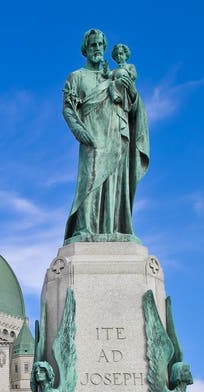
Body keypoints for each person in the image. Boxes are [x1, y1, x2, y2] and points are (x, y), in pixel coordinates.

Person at [62, 28, 149, 242]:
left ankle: (115, 227)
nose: (97, 49)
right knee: (89, 182)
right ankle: (85, 229)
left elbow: (133, 106)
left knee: (116, 182)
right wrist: (80, 131)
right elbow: (68, 108)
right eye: (93, 45)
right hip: (92, 137)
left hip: (117, 135)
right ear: (86, 49)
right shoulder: (77, 77)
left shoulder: (113, 75)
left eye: (101, 45)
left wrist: (133, 93)